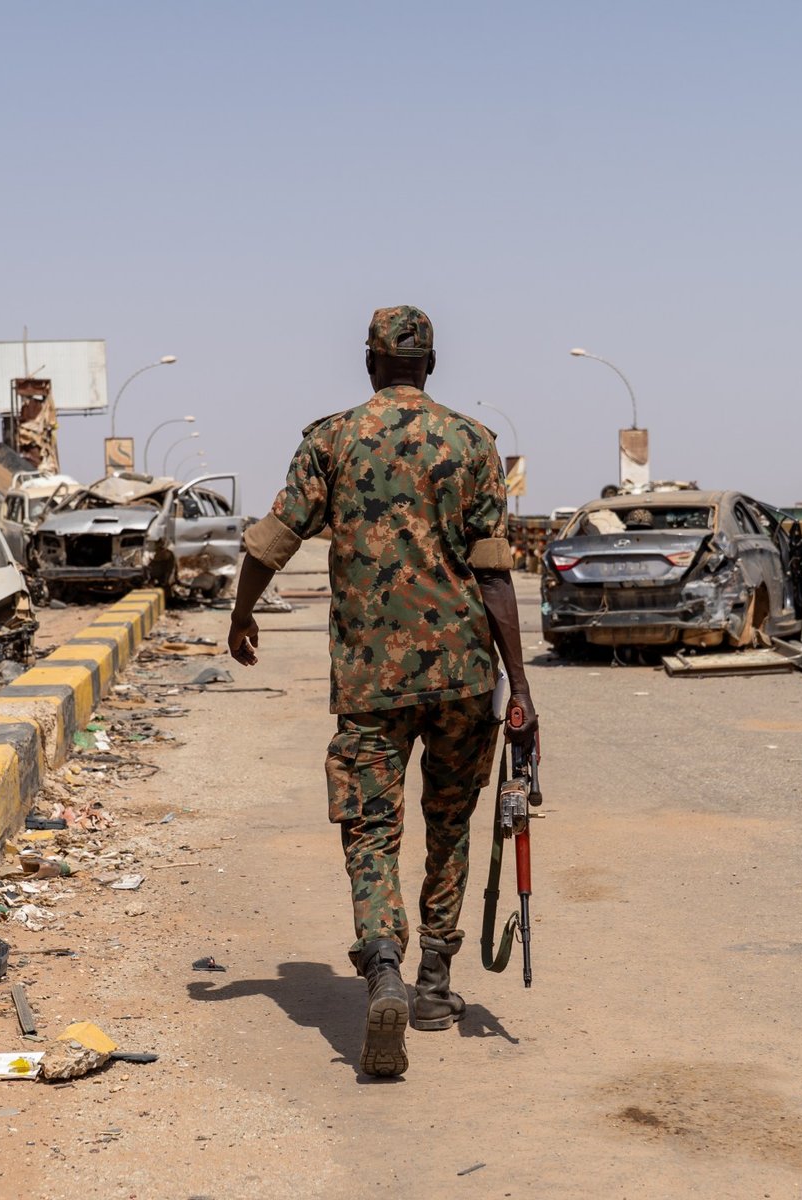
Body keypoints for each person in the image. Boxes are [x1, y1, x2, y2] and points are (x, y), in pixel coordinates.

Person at [226, 305, 539, 1078]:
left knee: (370, 833)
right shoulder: (473, 442)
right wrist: (521, 687)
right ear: (430, 365)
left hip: (369, 681)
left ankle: (383, 967)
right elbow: (495, 573)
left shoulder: (331, 439)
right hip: (464, 673)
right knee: (450, 826)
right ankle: (433, 987)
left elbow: (274, 539)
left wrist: (241, 613)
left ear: (370, 363)